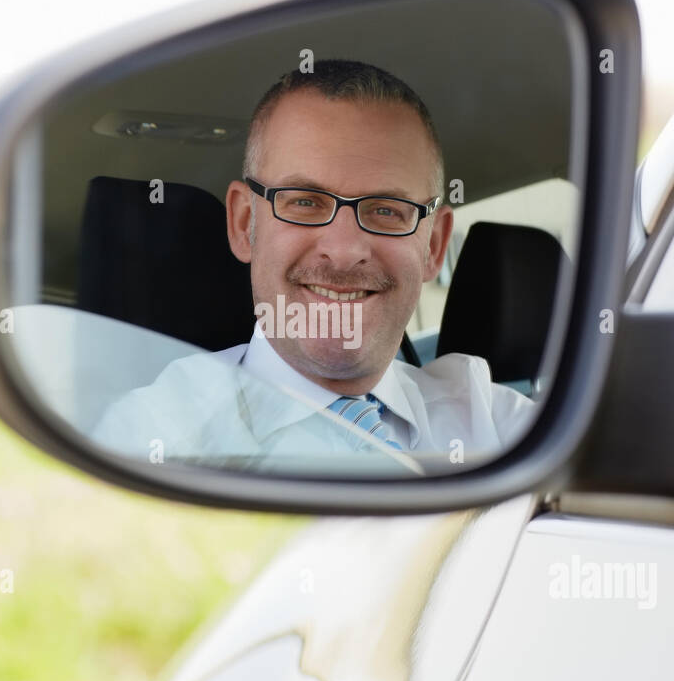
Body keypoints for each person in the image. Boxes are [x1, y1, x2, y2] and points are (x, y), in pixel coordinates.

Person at [93, 59, 535, 473]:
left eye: (386, 209)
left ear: (434, 245)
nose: (343, 251)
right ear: (244, 223)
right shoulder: (150, 439)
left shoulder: (500, 428)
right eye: (304, 202)